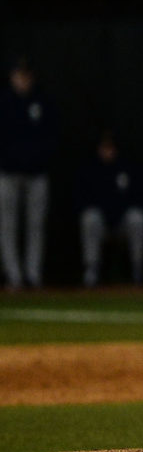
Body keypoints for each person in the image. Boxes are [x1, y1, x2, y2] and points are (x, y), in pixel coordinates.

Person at [0, 57, 57, 291]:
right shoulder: (3, 102)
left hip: (37, 174)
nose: (23, 80)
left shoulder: (42, 102)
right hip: (8, 173)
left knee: (35, 226)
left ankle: (33, 276)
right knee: (7, 226)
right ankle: (14, 276)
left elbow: (52, 137)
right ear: (12, 76)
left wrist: (38, 159)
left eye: (26, 75)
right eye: (18, 75)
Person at [77, 129, 143, 287]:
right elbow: (85, 201)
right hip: (101, 224)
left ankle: (138, 267)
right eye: (105, 147)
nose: (108, 151)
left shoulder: (125, 168)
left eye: (111, 148)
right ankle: (92, 268)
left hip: (122, 223)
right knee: (89, 218)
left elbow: (135, 198)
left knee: (137, 217)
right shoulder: (91, 169)